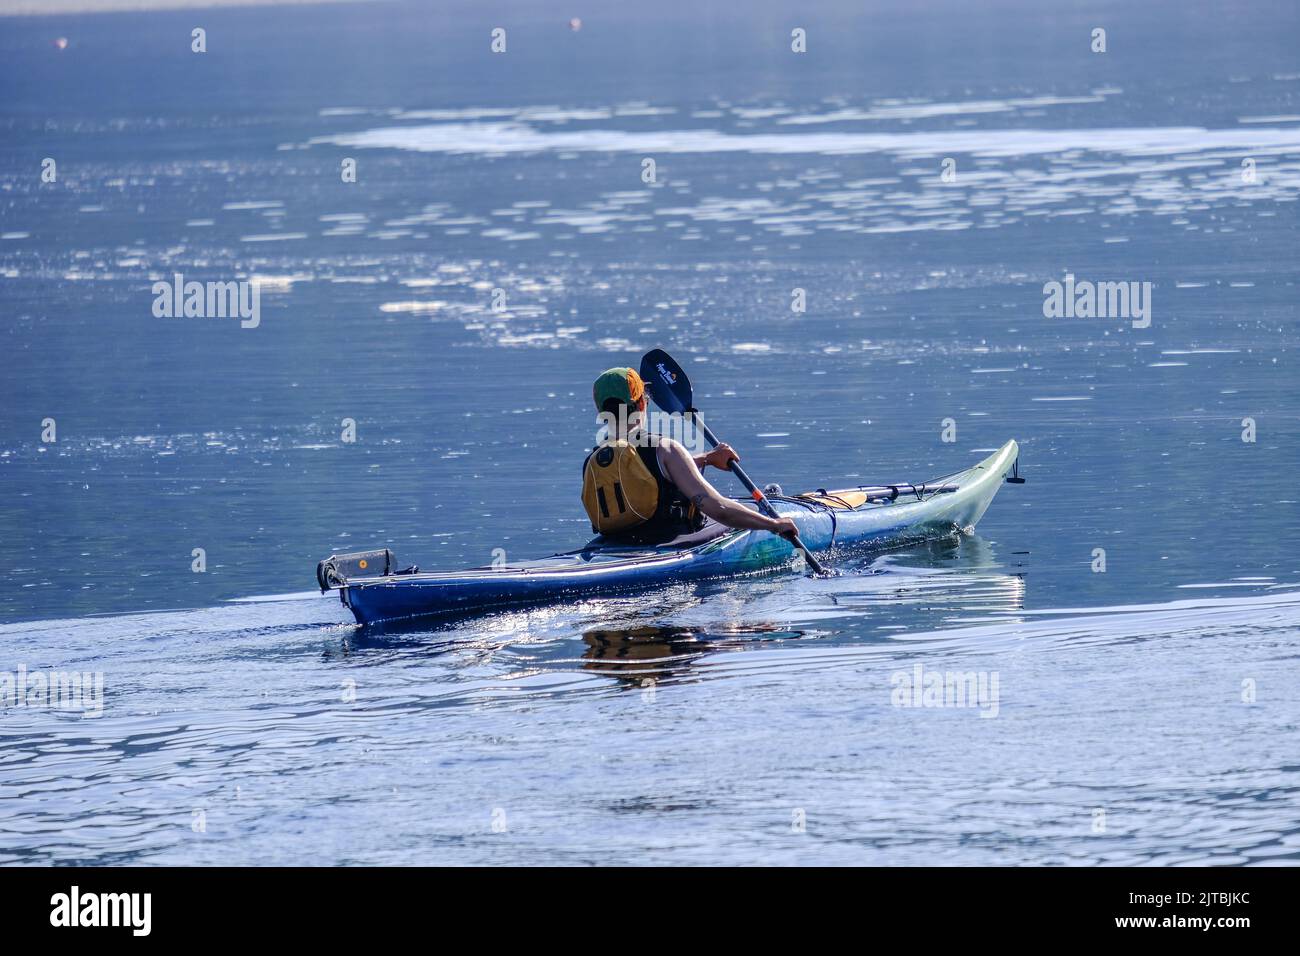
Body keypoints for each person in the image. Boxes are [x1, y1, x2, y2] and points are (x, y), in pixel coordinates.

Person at [581, 367, 800, 545]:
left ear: (600, 411)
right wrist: (774, 525)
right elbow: (719, 509)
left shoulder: (595, 462)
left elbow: (647, 478)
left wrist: (705, 458)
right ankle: (769, 508)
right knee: (750, 511)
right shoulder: (664, 449)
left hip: (613, 547)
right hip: (670, 543)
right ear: (642, 403)